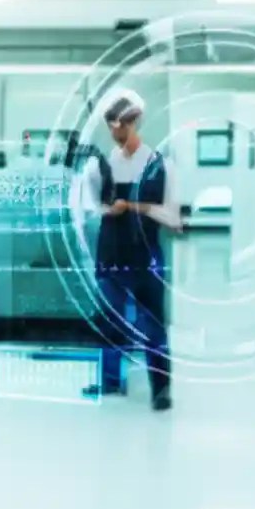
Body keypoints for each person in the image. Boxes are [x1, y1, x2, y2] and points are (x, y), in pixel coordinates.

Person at [75, 89, 180, 412]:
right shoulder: (100, 166)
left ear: (133, 122)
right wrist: (103, 210)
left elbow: (174, 218)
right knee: (109, 320)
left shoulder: (161, 166)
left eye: (117, 125)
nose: (113, 132)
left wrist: (132, 206)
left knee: (154, 325)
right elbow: (88, 208)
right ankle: (109, 380)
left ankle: (161, 389)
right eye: (109, 126)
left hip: (146, 259)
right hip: (111, 256)